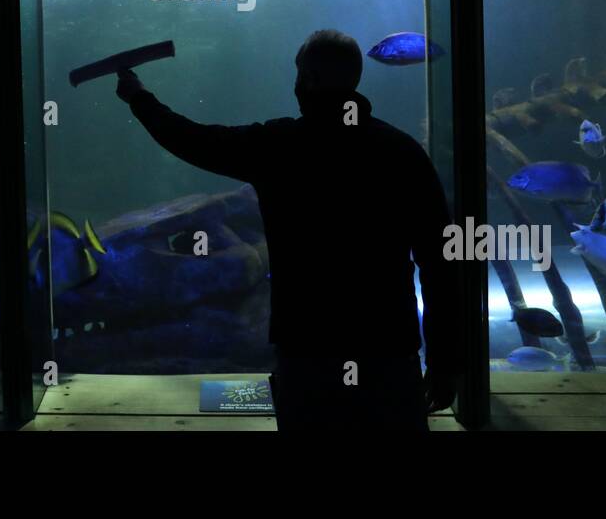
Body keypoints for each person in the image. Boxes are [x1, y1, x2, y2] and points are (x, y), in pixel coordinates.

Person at [114, 28, 462, 430]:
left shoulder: (279, 146)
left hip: (307, 350)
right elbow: (440, 263)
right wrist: (444, 362)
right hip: (388, 350)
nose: (296, 85)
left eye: (299, 74)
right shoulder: (402, 152)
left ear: (310, 79)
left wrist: (139, 98)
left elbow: (191, 139)